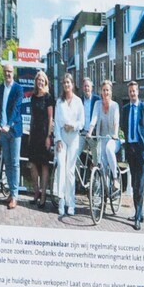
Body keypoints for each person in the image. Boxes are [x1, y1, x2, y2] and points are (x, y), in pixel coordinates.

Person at [119, 78, 144, 227]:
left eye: (134, 91)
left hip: (141, 150)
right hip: (131, 149)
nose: (132, 93)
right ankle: (139, 213)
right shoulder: (125, 109)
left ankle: (137, 218)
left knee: (140, 184)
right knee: (133, 183)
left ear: (138, 92)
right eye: (130, 91)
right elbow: (123, 128)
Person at [53, 73, 86, 216]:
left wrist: (73, 126)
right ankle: (61, 201)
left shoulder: (78, 101)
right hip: (62, 138)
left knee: (70, 171)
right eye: (65, 82)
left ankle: (70, 204)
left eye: (69, 82)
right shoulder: (59, 102)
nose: (67, 85)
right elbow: (56, 123)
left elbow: (82, 122)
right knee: (61, 166)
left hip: (73, 138)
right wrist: (58, 139)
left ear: (72, 84)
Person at [21, 70, 55, 208]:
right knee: (33, 164)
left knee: (44, 165)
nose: (40, 82)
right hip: (34, 133)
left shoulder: (48, 97)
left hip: (44, 133)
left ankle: (43, 196)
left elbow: (50, 118)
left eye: (42, 80)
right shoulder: (33, 97)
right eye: (38, 80)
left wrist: (48, 136)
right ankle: (36, 192)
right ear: (36, 82)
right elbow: (33, 116)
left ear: (45, 82)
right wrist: (29, 135)